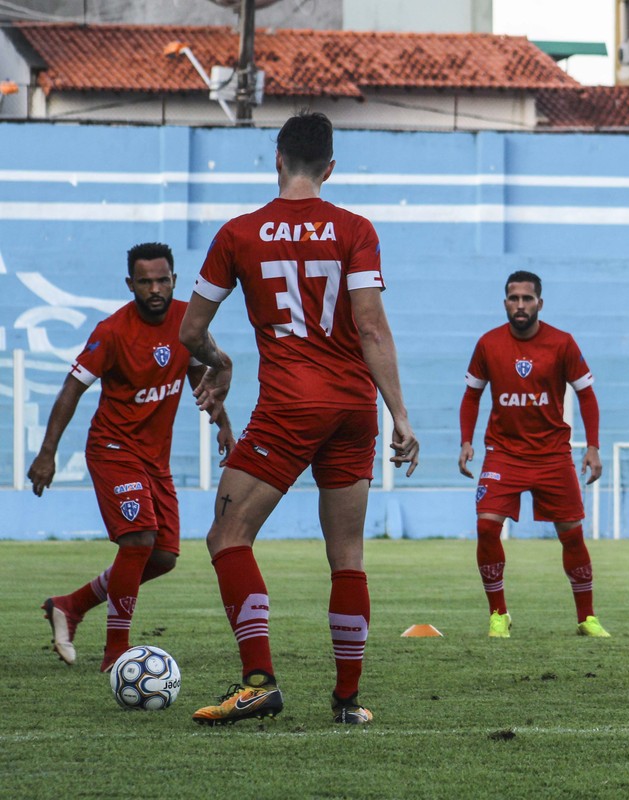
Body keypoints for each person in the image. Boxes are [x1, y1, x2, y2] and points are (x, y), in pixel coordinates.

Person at [179, 111, 420, 726]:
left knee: (227, 537)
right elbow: (371, 325)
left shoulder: (238, 233)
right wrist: (400, 414)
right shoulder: (356, 229)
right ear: (330, 167)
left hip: (290, 405)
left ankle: (259, 681)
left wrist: (220, 362)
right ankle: (347, 701)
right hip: (353, 408)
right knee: (347, 554)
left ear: (278, 159)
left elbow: (191, 331)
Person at [30, 242, 234, 672]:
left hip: (153, 460)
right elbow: (72, 389)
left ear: (175, 280)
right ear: (131, 284)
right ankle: (115, 653)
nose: (155, 288)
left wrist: (223, 423)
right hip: (112, 449)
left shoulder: (186, 322)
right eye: (145, 282)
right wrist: (47, 453)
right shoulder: (113, 331)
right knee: (139, 539)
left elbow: (200, 373)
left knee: (163, 557)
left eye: (162, 280)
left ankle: (70, 605)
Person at [458, 270, 610, 639]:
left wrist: (592, 447)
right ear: (505, 303)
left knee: (572, 535)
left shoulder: (562, 343)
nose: (521, 305)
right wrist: (466, 441)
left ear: (540, 302)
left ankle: (586, 618)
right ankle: (499, 614)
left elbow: (586, 395)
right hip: (503, 453)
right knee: (486, 526)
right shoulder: (488, 344)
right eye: (514, 298)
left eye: (528, 299)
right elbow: (472, 395)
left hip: (552, 454)